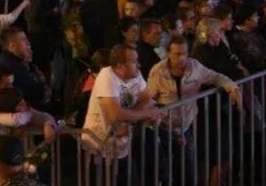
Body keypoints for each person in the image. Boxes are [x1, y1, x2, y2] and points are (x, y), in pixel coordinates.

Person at [146, 36, 241, 186]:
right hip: (164, 128)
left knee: (187, 171)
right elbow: (149, 97)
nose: (182, 58)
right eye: (177, 54)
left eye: (184, 53)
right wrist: (153, 115)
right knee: (166, 173)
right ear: (169, 53)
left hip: (186, 127)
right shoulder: (157, 72)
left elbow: (215, 77)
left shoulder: (195, 67)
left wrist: (231, 86)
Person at [81, 44, 163, 170]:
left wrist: (128, 116)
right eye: (134, 62)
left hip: (121, 145)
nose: (139, 65)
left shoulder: (135, 74)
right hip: (99, 146)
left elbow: (146, 98)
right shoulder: (106, 76)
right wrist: (145, 114)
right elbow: (115, 115)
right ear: (120, 66)